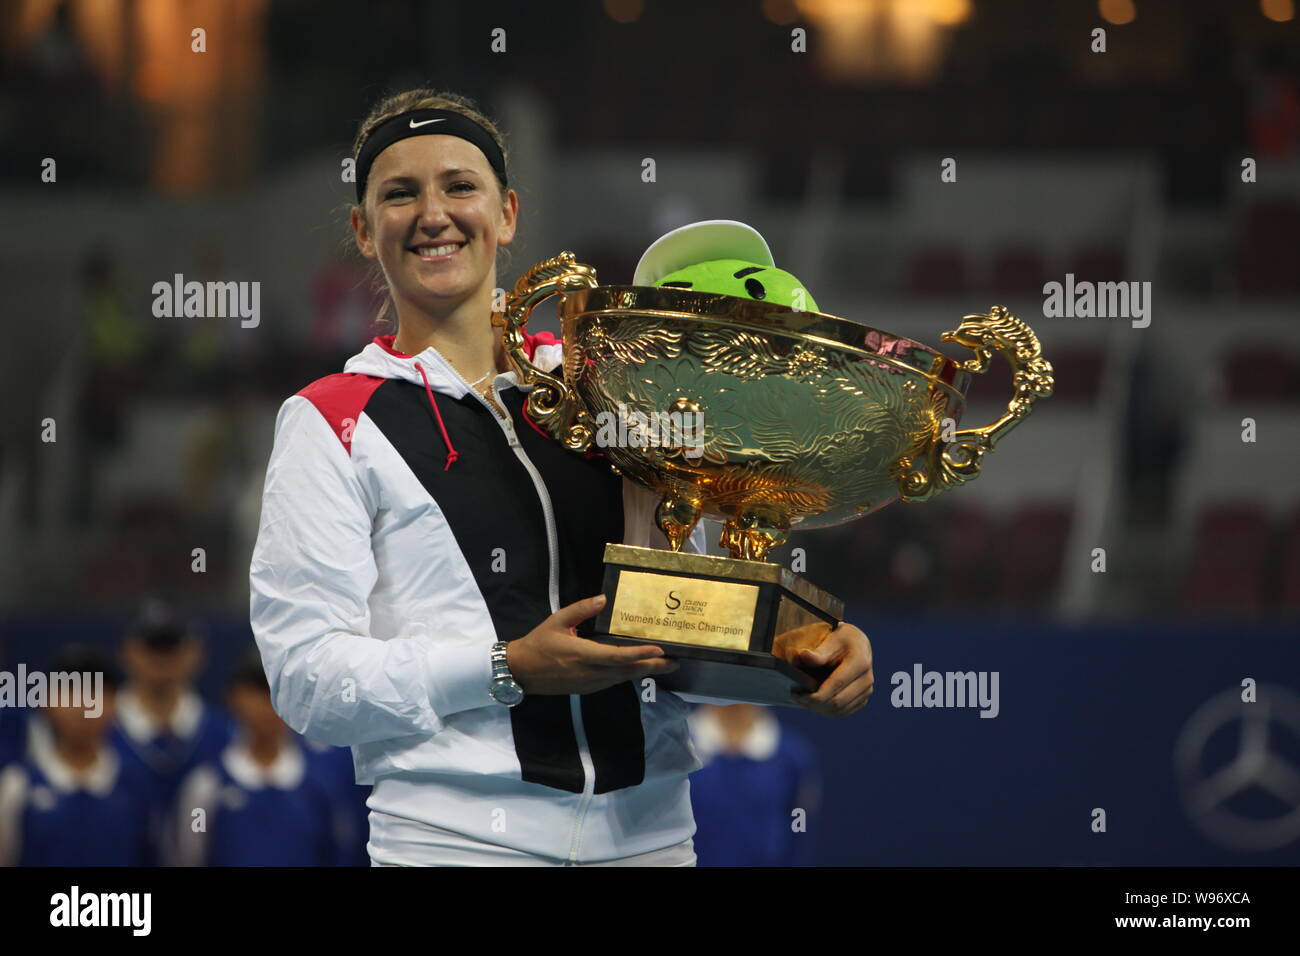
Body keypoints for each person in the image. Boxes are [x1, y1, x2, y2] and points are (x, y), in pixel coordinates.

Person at [249, 88, 874, 867]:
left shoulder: (610, 380)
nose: (432, 213)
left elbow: (678, 625)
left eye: (459, 185)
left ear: (507, 213)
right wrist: (504, 667)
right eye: (399, 193)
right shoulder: (331, 421)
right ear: (362, 229)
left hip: (651, 842)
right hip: (452, 847)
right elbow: (307, 680)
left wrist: (802, 649)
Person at [172, 647, 344, 866]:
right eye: (256, 691)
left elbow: (337, 850)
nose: (267, 704)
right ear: (233, 697)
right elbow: (190, 853)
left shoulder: (321, 784)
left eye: (278, 692)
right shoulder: (206, 785)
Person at [0, 644, 155, 866]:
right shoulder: (17, 785)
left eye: (95, 693)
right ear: (46, 702)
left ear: (116, 704)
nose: (82, 706)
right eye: (69, 692)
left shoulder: (136, 784)